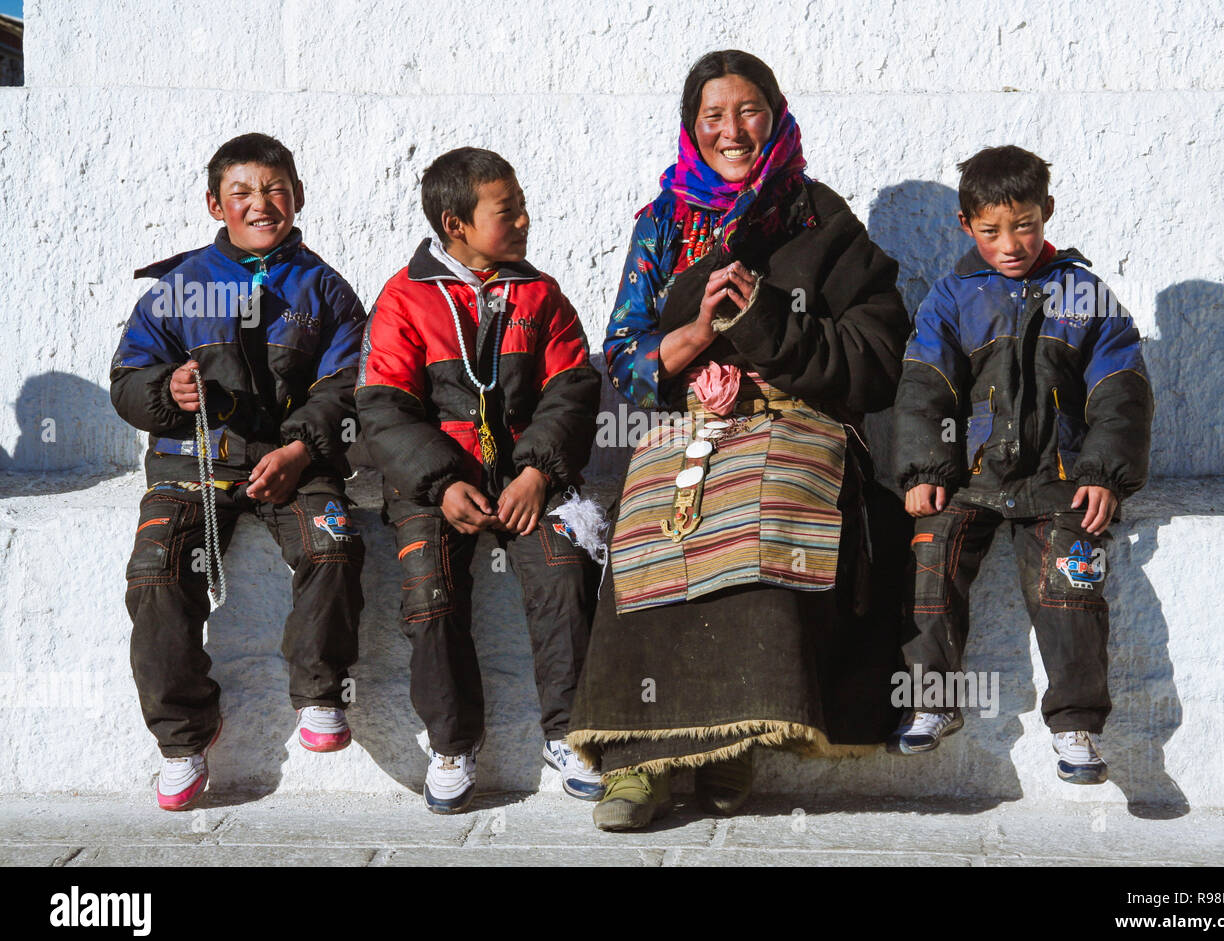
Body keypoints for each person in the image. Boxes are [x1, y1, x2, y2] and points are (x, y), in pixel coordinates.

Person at [567, 50, 912, 830]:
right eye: (712, 117)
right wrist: (687, 347)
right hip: (690, 424)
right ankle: (634, 763)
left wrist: (764, 327)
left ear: (778, 112)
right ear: (692, 129)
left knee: (759, 513)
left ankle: (730, 743)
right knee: (648, 530)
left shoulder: (823, 223)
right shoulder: (663, 226)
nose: (732, 130)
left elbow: (877, 360)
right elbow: (623, 353)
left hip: (799, 423)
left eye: (748, 110)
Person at [111, 132, 368, 811]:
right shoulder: (180, 288)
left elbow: (349, 386)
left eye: (276, 189)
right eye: (242, 193)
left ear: (298, 197)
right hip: (192, 463)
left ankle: (319, 691)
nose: (262, 205)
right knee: (156, 576)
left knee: (333, 543)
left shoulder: (325, 290)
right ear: (214, 204)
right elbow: (128, 379)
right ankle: (184, 735)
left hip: (293, 461)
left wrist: (302, 451)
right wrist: (169, 393)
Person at [892, 144, 1154, 783]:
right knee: (932, 557)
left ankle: (1076, 726)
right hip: (973, 481)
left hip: (1059, 480)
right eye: (991, 230)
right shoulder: (951, 298)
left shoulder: (1084, 295)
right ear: (966, 227)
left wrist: (1102, 475)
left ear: (1048, 212)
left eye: (1025, 225)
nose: (1010, 243)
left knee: (1073, 585)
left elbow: (1120, 390)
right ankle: (932, 701)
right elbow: (925, 387)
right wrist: (925, 469)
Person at [356, 147, 604, 814]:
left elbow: (573, 390)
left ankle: (571, 732)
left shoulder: (540, 294)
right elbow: (384, 407)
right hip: (437, 486)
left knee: (564, 574)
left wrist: (536, 471)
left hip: (530, 481)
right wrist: (439, 484)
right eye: (506, 211)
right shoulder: (406, 298)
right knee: (428, 591)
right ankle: (453, 741)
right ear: (455, 223)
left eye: (522, 205)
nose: (524, 219)